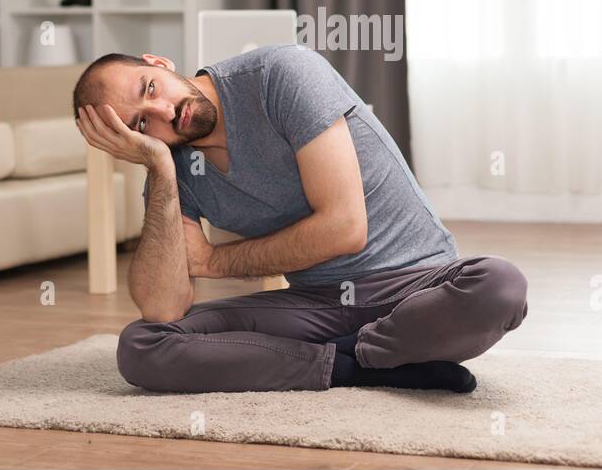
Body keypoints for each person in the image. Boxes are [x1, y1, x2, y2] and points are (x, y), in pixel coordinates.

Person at [73, 44, 528, 393]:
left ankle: (355, 354)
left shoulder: (279, 74)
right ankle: (361, 367)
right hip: (317, 305)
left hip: (415, 288)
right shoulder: (171, 166)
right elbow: (162, 308)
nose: (164, 112)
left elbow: (345, 229)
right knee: (142, 347)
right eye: (140, 126)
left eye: (149, 89)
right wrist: (159, 168)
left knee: (499, 285)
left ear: (159, 63)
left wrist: (213, 262)